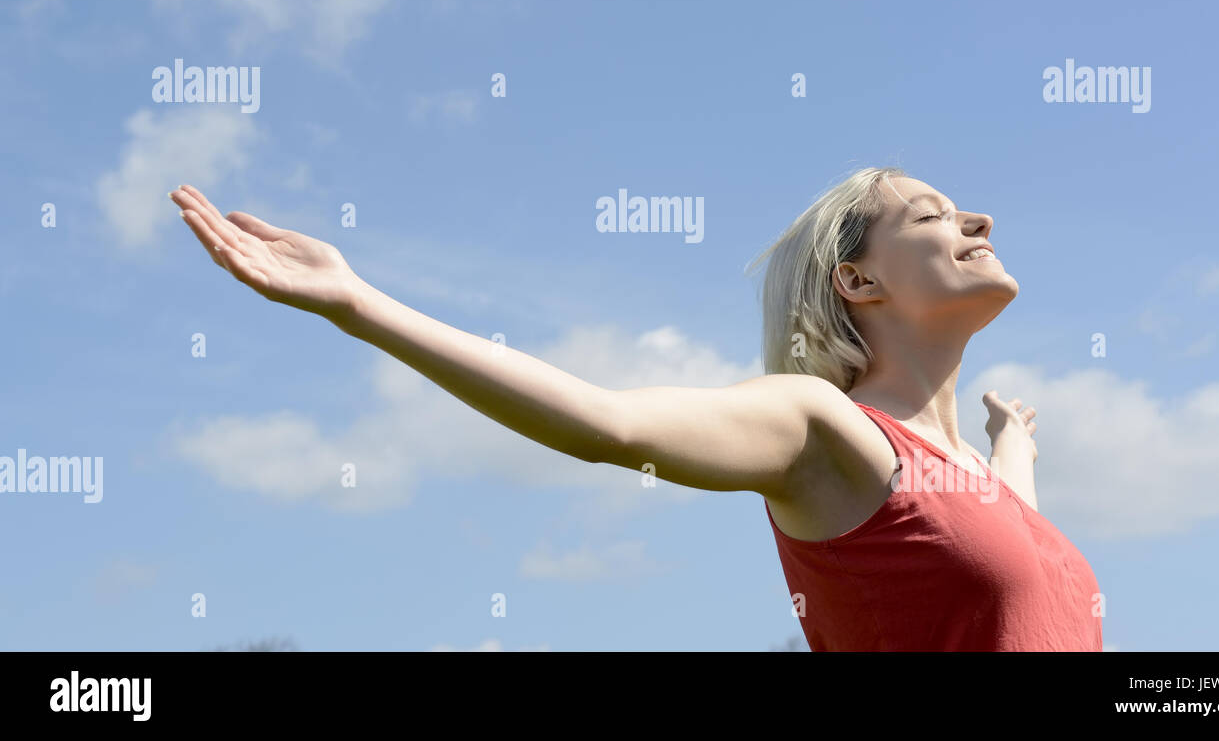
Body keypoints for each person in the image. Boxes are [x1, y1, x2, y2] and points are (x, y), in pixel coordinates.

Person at [169, 166, 1102, 651]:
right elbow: (607, 425)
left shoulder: (978, 480)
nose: (976, 221)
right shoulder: (824, 430)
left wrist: (1010, 443)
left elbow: (1007, 553)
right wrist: (360, 305)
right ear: (855, 278)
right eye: (933, 214)